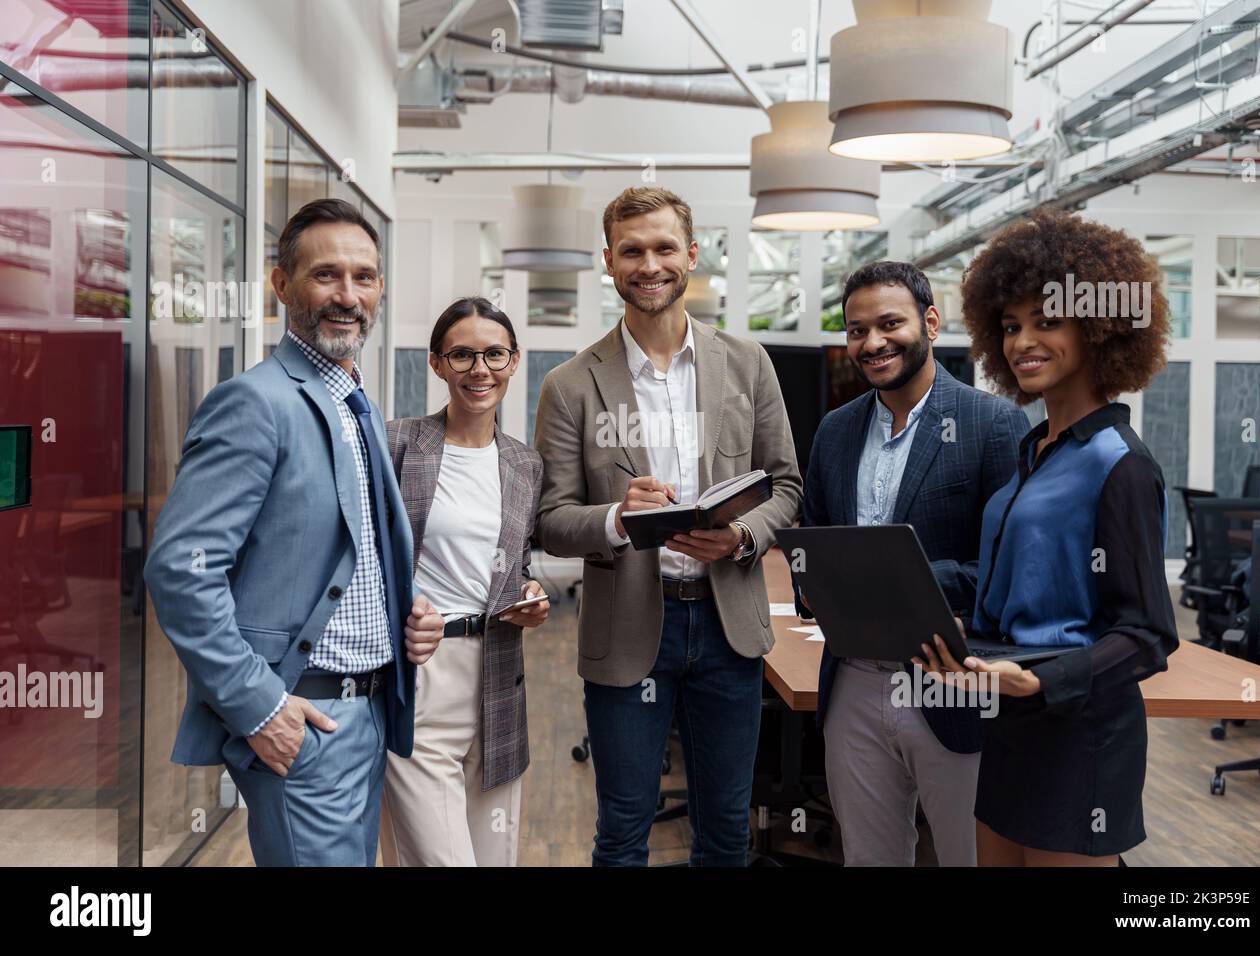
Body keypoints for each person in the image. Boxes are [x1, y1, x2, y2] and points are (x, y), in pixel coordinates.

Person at [144, 198, 444, 867]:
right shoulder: (257, 401)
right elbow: (181, 570)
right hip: (304, 721)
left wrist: (407, 611)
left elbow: (341, 552)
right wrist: (259, 708)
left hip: (367, 714)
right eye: (326, 275)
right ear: (282, 286)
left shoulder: (353, 401)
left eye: (364, 277)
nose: (348, 294)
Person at [533, 185, 802, 866]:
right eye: (631, 251)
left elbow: (786, 484)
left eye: (661, 247)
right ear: (608, 261)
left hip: (727, 625)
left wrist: (741, 536)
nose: (647, 264)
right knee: (622, 833)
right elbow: (551, 521)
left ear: (691, 253)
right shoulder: (569, 384)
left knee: (724, 832)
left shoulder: (747, 363)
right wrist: (619, 518)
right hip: (628, 631)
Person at [916, 209, 1179, 865]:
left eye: (1046, 321)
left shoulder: (1119, 464)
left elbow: (1147, 635)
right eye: (1009, 326)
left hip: (1080, 733)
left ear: (1098, 330)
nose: (1021, 341)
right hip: (1009, 723)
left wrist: (1044, 680)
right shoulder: (1034, 454)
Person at [800, 261, 1029, 866]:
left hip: (953, 679)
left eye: (889, 323)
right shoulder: (834, 431)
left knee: (968, 856)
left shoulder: (992, 422)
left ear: (930, 321)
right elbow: (816, 544)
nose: (872, 342)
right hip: (851, 681)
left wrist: (900, 578)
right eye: (856, 330)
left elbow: (1008, 571)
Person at [380, 297, 548, 867]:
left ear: (514, 360)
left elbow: (515, 561)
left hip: (500, 671)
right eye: (462, 355)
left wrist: (528, 595)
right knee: (438, 858)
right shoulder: (397, 444)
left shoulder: (525, 464)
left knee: (494, 855)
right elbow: (363, 559)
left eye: (495, 354)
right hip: (423, 670)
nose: (481, 369)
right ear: (437, 364)